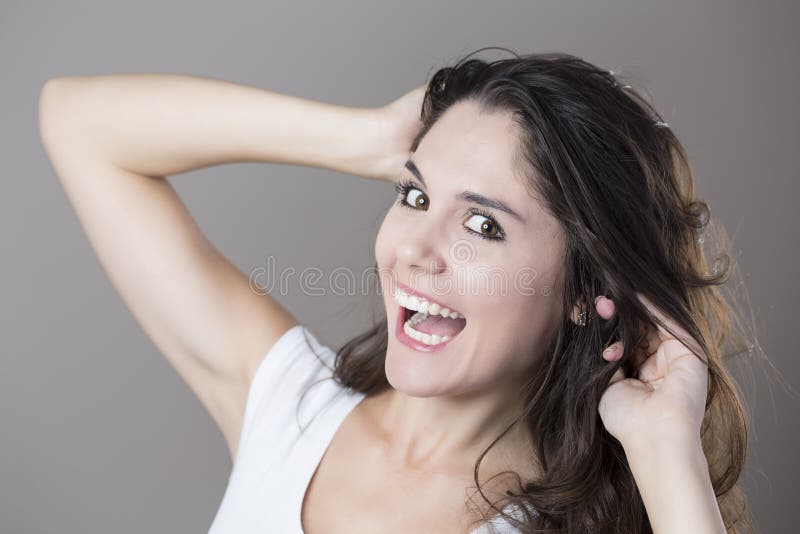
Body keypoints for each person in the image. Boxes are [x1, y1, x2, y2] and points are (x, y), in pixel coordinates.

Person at [38, 49, 754, 533]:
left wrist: (667, 450)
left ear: (582, 288)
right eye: (413, 196)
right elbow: (77, 121)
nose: (414, 251)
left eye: (482, 223)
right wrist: (370, 139)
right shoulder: (291, 411)